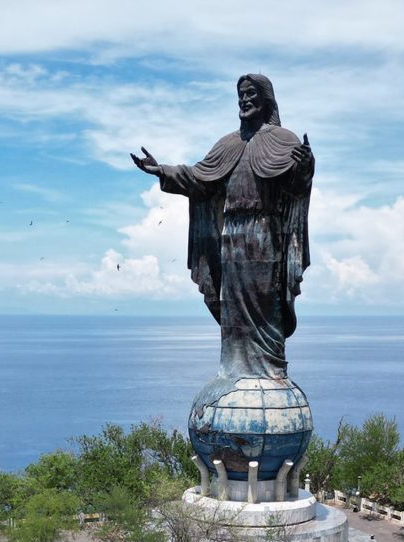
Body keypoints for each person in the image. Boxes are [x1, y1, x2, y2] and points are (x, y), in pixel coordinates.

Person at [132, 74, 313, 380]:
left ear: (265, 98)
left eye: (251, 93)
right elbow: (198, 178)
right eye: (240, 95)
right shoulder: (227, 144)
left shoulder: (284, 141)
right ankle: (233, 370)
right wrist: (161, 170)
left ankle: (270, 368)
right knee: (233, 312)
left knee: (265, 305)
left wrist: (305, 166)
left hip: (265, 235)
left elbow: (295, 189)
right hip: (231, 238)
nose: (244, 100)